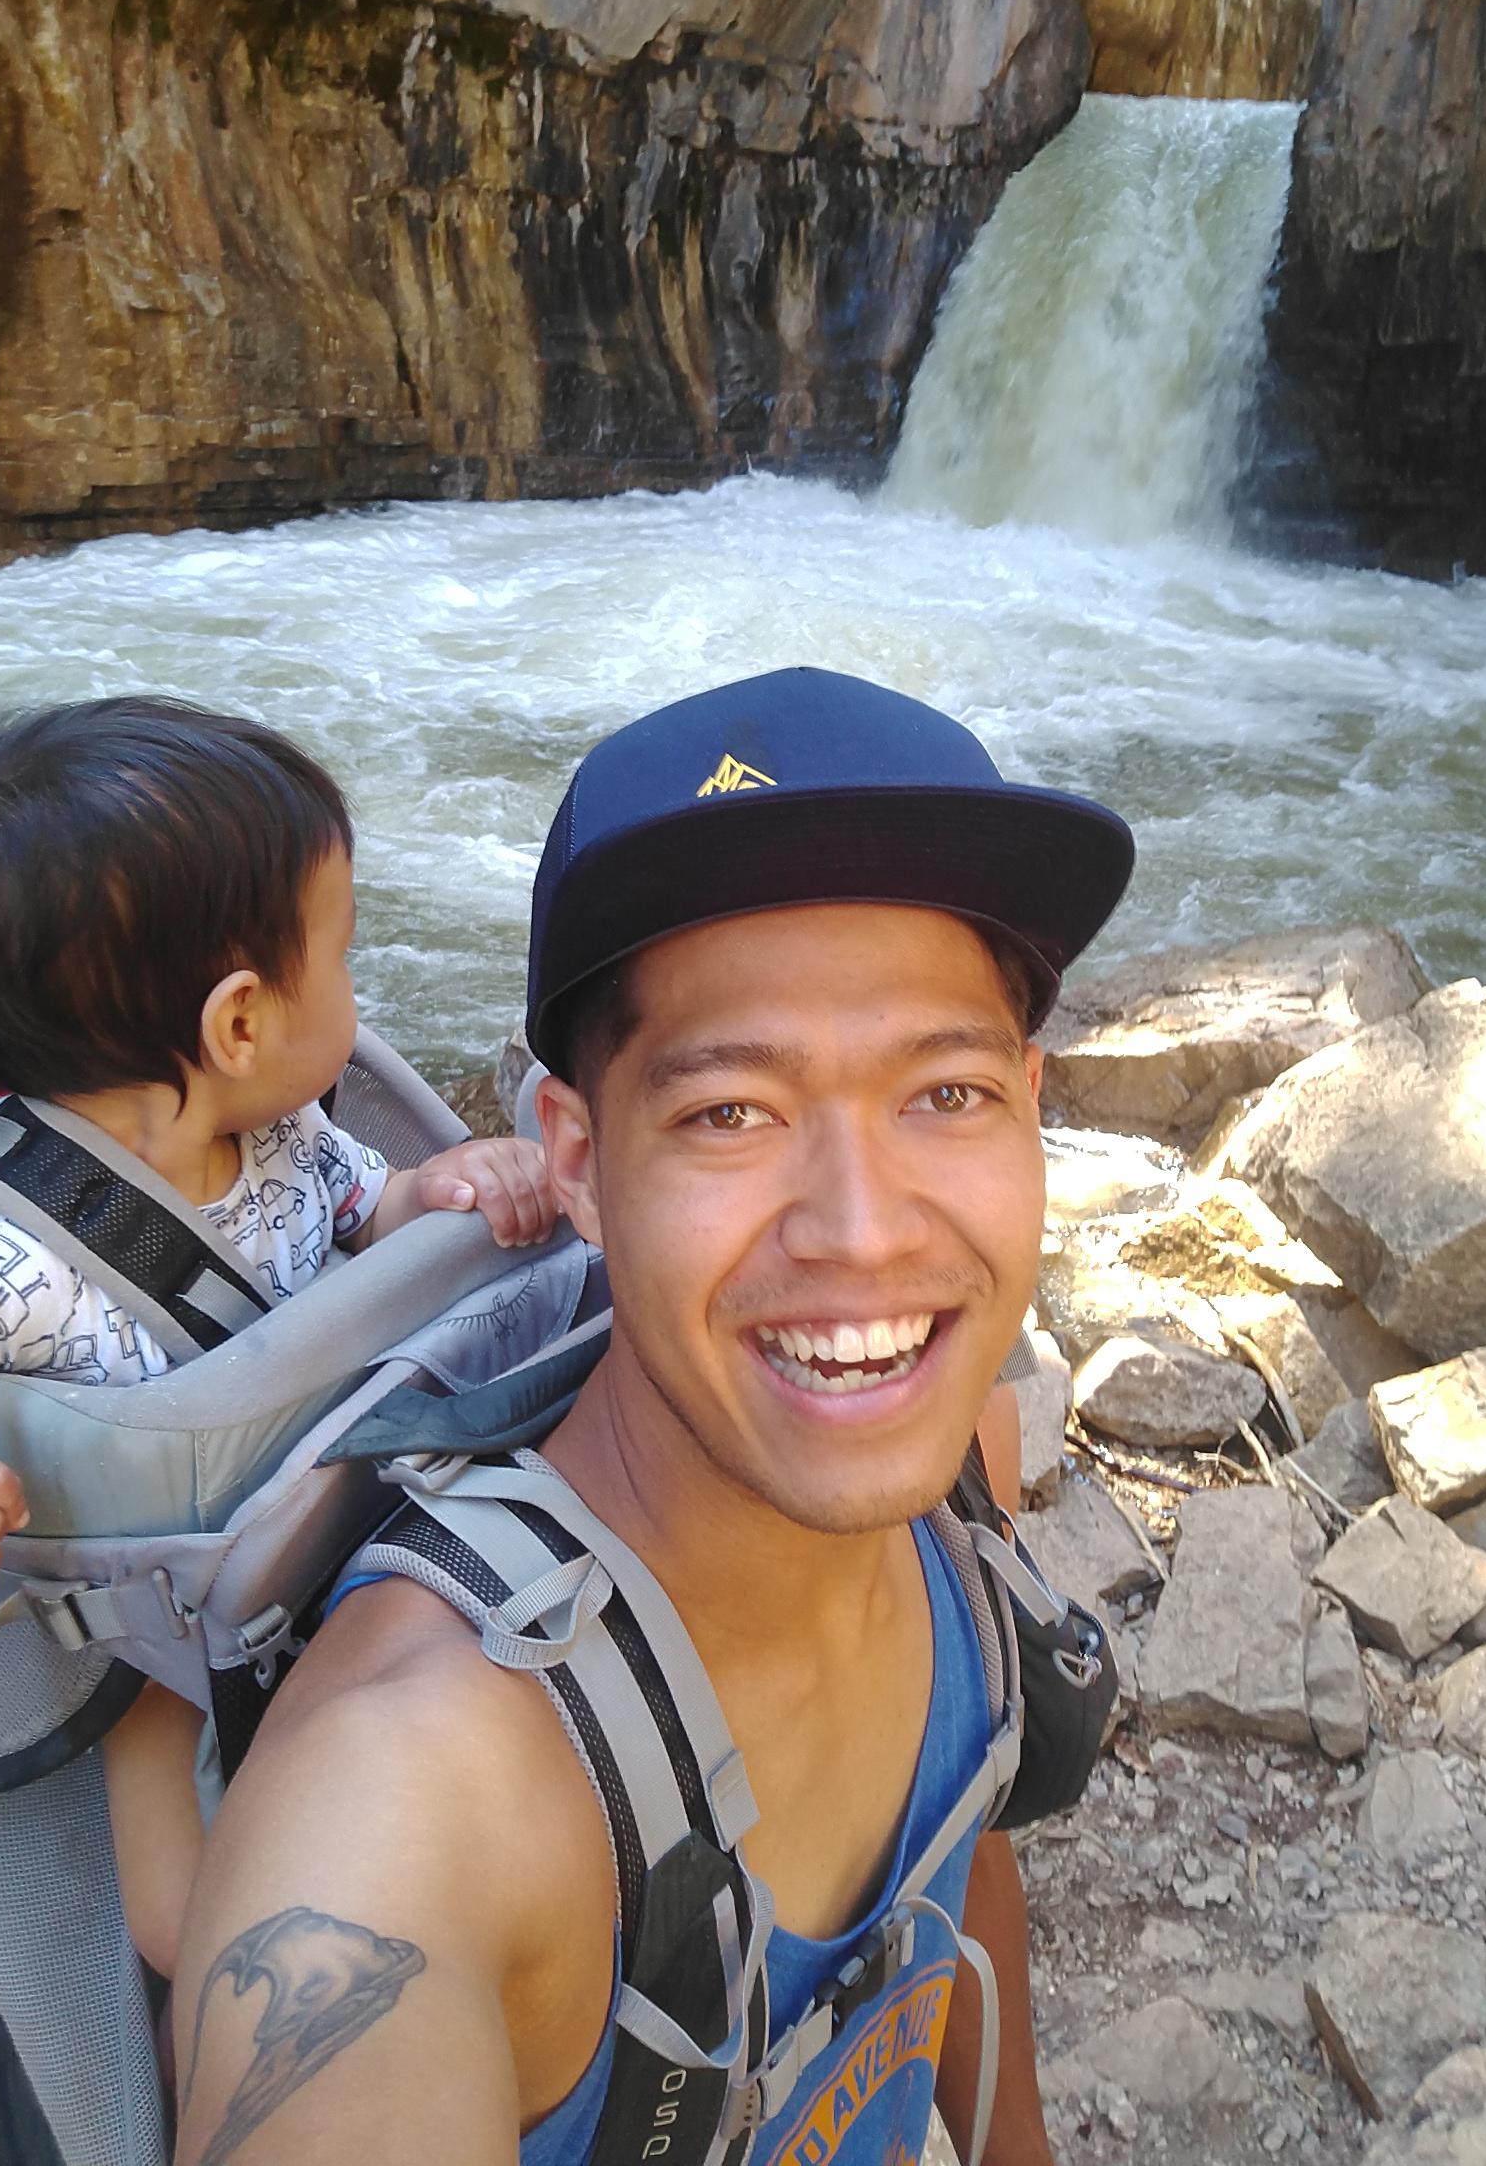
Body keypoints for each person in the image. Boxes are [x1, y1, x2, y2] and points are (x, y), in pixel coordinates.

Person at [174, 667, 1134, 2166]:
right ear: (575, 1163)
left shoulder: (951, 1475)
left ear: (1030, 1098)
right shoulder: (401, 1825)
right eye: (729, 1113)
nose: (864, 1232)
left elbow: (963, 1835)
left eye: (945, 1094)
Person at [0, 697, 558, 1978]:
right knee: (189, 1903)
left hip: (326, 1519)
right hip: (146, 1626)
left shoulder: (284, 1130)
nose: (356, 990)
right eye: (345, 954)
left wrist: (445, 1189)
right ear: (241, 1024)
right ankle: (234, 2011)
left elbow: (369, 1212)